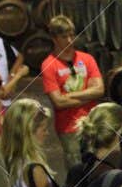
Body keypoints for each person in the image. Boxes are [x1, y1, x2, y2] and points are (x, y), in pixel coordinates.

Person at [40, 16, 104, 169]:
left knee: (97, 165)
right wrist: (88, 95)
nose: (69, 40)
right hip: (69, 129)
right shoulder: (49, 65)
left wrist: (69, 95)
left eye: (71, 35)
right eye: (64, 37)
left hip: (92, 122)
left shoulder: (86, 59)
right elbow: (59, 102)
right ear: (54, 38)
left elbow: (100, 89)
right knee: (77, 168)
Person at [0, 97, 58, 187]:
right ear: (29, 133)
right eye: (43, 129)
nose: (47, 133)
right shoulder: (33, 170)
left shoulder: (4, 161)